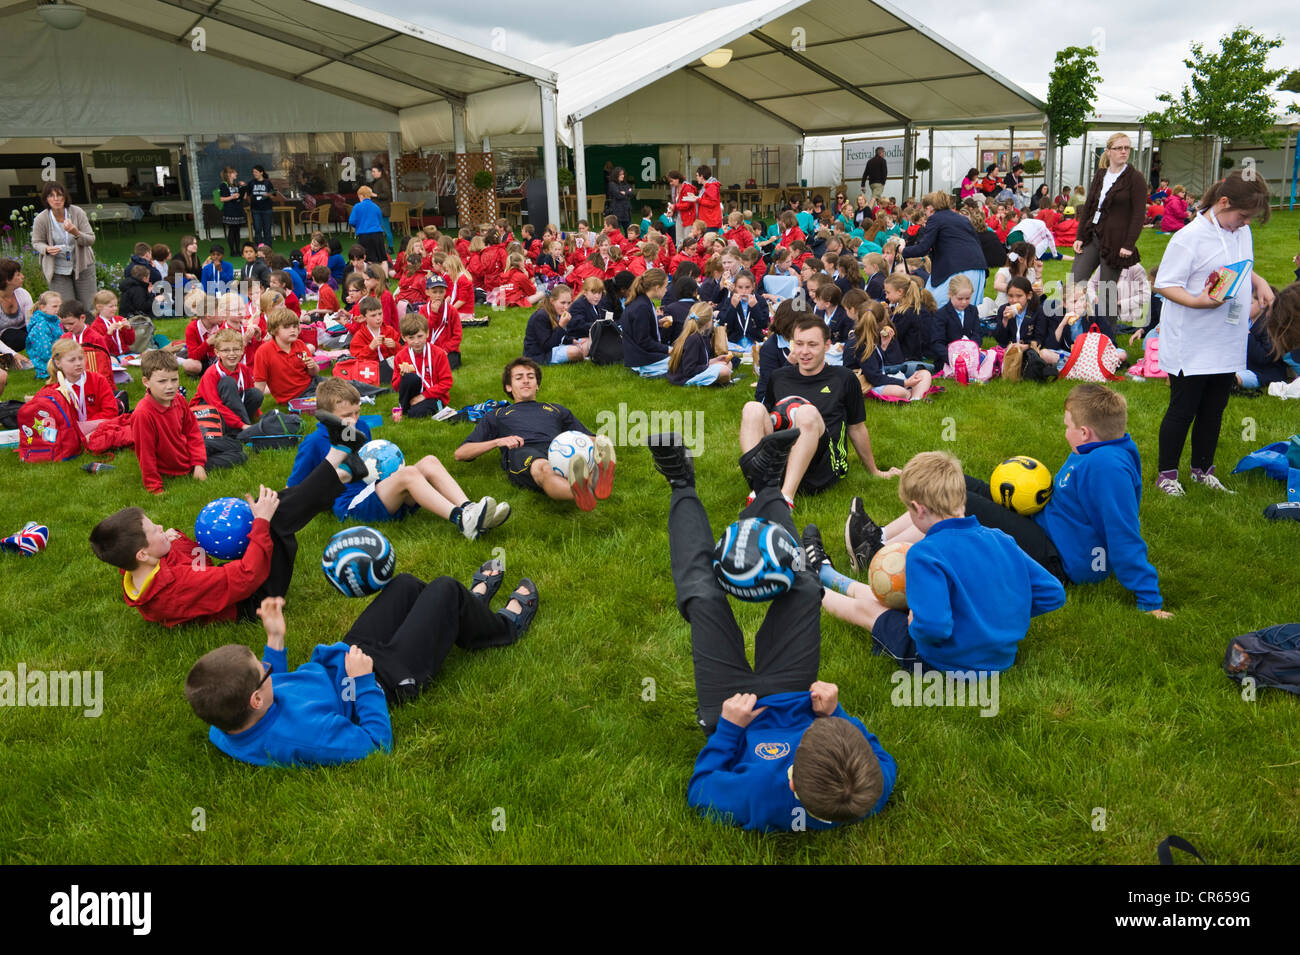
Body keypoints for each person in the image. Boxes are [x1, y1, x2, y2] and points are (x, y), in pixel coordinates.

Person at [644, 431, 895, 833]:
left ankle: (681, 484)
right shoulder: (868, 787)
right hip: (795, 689)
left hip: (730, 706)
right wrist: (837, 713)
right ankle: (766, 484)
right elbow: (883, 760)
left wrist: (728, 729)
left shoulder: (758, 797)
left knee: (703, 597)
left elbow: (701, 788)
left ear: (790, 782)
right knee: (805, 586)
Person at [844, 385, 1171, 618]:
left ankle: (878, 553)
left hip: (1058, 559)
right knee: (958, 483)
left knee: (963, 505)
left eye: (1068, 425)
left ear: (1085, 432)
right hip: (1046, 526)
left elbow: (1123, 531)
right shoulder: (1094, 451)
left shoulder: (1107, 468)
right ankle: (879, 538)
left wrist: (1149, 599)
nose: (1064, 430)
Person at [186, 565, 536, 766]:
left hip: (345, 658)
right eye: (264, 670)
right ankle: (503, 628)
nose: (269, 667)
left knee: (405, 584)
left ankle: (462, 613)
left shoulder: (222, 722)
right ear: (256, 701)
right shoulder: (307, 737)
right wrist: (364, 681)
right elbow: (375, 744)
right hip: (383, 677)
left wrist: (275, 641)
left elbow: (264, 685)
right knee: (445, 590)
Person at [807, 450, 1065, 674]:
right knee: (882, 595)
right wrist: (1006, 613)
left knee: (872, 611)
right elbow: (1053, 593)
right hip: (1001, 659)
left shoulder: (925, 554)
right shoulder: (1002, 539)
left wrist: (915, 623)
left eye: (908, 510)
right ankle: (826, 574)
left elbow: (934, 628)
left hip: (947, 662)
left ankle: (809, 587)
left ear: (919, 509)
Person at [91, 443, 359, 627]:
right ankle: (339, 464)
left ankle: (341, 469)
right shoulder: (178, 586)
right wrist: (262, 524)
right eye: (154, 531)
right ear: (142, 553)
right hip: (256, 601)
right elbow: (246, 576)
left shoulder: (136, 571)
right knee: (273, 518)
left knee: (267, 510)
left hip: (235, 588)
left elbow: (200, 562)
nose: (161, 528)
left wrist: (175, 545)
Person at [1153, 171, 1275, 496]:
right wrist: (1196, 301)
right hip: (1191, 339)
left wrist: (1259, 282)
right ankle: (1167, 475)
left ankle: (1202, 470)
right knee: (1184, 408)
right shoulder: (1188, 237)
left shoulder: (1240, 230)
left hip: (1226, 337)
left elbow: (1241, 263)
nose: (1245, 223)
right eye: (1243, 215)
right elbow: (1164, 283)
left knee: (1214, 408)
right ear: (1223, 203)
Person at [740, 314, 900, 507]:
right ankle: (760, 488)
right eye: (799, 344)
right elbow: (768, 422)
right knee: (752, 408)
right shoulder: (779, 377)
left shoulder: (844, 378)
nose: (804, 351)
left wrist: (874, 470)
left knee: (806, 412)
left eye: (812, 345)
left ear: (827, 345)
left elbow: (856, 428)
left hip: (824, 466)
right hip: (783, 461)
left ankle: (785, 500)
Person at [454, 357, 615, 512]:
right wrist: (497, 442)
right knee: (544, 468)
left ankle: (595, 480)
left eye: (531, 377)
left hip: (558, 449)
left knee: (589, 452)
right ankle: (580, 491)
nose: (526, 380)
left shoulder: (557, 409)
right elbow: (461, 453)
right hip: (524, 449)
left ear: (537, 385)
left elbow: (590, 438)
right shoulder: (497, 414)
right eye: (519, 377)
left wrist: (596, 442)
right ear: (508, 387)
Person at [1071, 133, 1145, 338]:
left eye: (1127, 148)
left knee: (1106, 293)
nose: (1124, 152)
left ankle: (1107, 340)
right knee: (1076, 282)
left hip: (1115, 242)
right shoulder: (1100, 175)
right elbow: (1089, 206)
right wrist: (1079, 235)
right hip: (1092, 235)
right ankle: (1077, 332)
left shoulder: (1135, 178)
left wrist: (1129, 244)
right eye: (1119, 148)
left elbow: (1139, 213)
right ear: (1109, 151)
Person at [131, 349, 231, 494]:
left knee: (233, 445)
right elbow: (146, 454)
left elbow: (192, 431)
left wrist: (198, 464)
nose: (170, 386)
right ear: (146, 382)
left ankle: (201, 460)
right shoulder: (143, 414)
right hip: (176, 465)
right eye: (162, 381)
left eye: (174, 379)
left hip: (188, 453)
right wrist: (155, 488)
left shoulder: (178, 399)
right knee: (237, 456)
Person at [896, 191, 985, 309]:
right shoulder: (962, 219)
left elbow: (923, 248)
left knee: (933, 305)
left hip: (957, 269)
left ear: (929, 208)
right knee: (965, 311)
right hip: (978, 268)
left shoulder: (935, 218)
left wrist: (902, 249)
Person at [30, 182, 96, 308]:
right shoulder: (41, 218)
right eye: (51, 196)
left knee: (89, 306)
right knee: (66, 308)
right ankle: (69, 328)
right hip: (57, 268)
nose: (56, 199)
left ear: (65, 197)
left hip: (82, 265)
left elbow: (91, 239)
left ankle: (90, 328)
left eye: (59, 195)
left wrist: (75, 232)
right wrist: (47, 249)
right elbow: (36, 242)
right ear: (46, 199)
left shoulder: (77, 212)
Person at [193, 328, 263, 431]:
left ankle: (238, 426)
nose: (232, 354)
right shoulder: (211, 373)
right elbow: (216, 404)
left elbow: (248, 393)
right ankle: (242, 428)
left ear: (242, 350)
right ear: (217, 352)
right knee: (228, 383)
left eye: (236, 349)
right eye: (226, 350)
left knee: (256, 394)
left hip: (229, 405)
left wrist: (259, 416)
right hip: (208, 409)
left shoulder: (244, 370)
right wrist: (241, 425)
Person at [252, 307, 319, 405]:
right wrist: (255, 409)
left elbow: (313, 373)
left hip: (312, 383)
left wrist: (313, 367)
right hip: (296, 396)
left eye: (295, 326)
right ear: (274, 330)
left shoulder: (299, 344)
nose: (293, 330)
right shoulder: (263, 352)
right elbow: (259, 384)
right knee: (334, 397)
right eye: (287, 327)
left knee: (342, 386)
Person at [667, 302, 733, 387]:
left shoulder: (700, 336)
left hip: (692, 372)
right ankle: (717, 381)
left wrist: (714, 360)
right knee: (724, 371)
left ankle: (717, 379)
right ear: (708, 322)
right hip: (685, 378)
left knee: (728, 363)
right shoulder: (694, 339)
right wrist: (711, 366)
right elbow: (689, 370)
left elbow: (700, 361)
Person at [620, 268, 672, 375]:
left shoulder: (643, 302)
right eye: (665, 287)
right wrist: (668, 349)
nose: (666, 290)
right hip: (641, 359)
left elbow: (639, 329)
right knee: (681, 362)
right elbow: (643, 341)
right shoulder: (642, 306)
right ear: (657, 288)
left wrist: (657, 324)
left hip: (641, 355)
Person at [523, 284, 589, 365]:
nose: (566, 307)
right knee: (575, 351)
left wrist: (572, 340)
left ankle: (585, 353)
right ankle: (584, 356)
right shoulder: (541, 316)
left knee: (587, 341)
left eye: (569, 303)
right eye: (563, 303)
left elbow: (560, 336)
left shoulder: (557, 311)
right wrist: (561, 326)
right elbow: (548, 345)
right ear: (552, 301)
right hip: (539, 355)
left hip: (554, 347)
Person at [349, 185, 388, 270]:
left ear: (361, 195)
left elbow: (351, 221)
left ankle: (368, 277)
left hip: (364, 235)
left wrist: (358, 225)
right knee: (383, 259)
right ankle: (385, 280)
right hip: (378, 235)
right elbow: (379, 220)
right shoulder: (376, 207)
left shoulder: (357, 206)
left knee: (365, 258)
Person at [0, 258, 34, 354]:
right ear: (7, 280)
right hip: (4, 336)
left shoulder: (22, 294)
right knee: (15, 337)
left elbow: (30, 322)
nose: (22, 276)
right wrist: (14, 355)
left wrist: (37, 337)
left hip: (23, 329)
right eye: (18, 275)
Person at [606, 166, 635, 234]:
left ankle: (628, 243)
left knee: (629, 231)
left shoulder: (625, 183)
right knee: (616, 232)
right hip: (617, 211)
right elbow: (618, 195)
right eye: (621, 174)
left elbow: (632, 193)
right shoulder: (612, 184)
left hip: (626, 211)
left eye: (623, 174)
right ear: (616, 175)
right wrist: (627, 192)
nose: (623, 176)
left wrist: (625, 192)